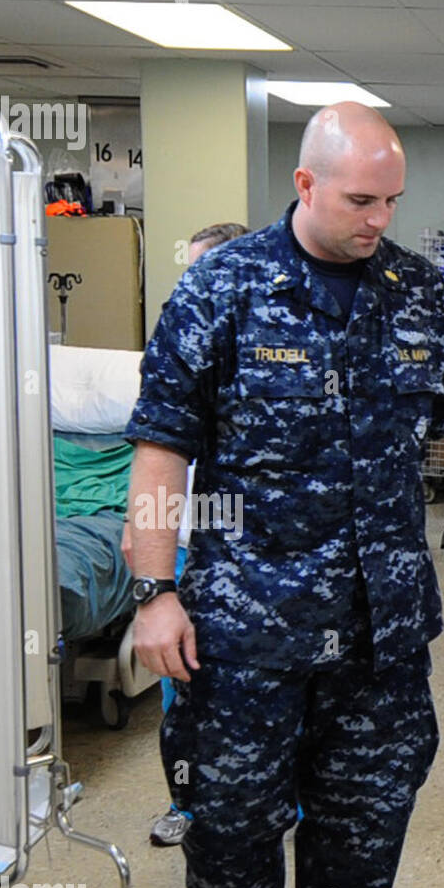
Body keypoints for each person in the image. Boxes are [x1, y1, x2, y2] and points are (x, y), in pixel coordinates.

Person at [125, 103, 444, 888]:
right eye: (360, 199)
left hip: (380, 633)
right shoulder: (225, 287)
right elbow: (163, 445)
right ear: (305, 185)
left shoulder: (418, 291)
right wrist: (156, 590)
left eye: (392, 198)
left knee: (363, 824)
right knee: (228, 820)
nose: (379, 216)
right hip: (243, 627)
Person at [141, 221, 249, 848]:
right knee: (181, 692)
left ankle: (277, 802)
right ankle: (185, 800)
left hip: (238, 558)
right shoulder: (177, 349)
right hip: (178, 546)